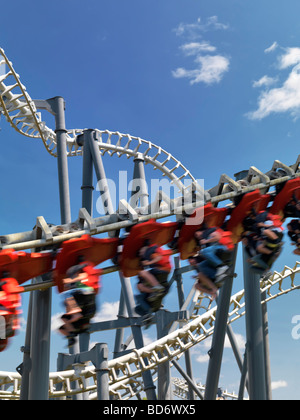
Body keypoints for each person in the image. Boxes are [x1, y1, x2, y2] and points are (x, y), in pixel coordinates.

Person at [58, 262, 98, 346]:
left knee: (66, 293)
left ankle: (75, 310)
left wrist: (67, 281)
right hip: (84, 303)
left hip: (86, 294)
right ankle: (71, 337)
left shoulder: (83, 275)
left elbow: (80, 277)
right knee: (62, 324)